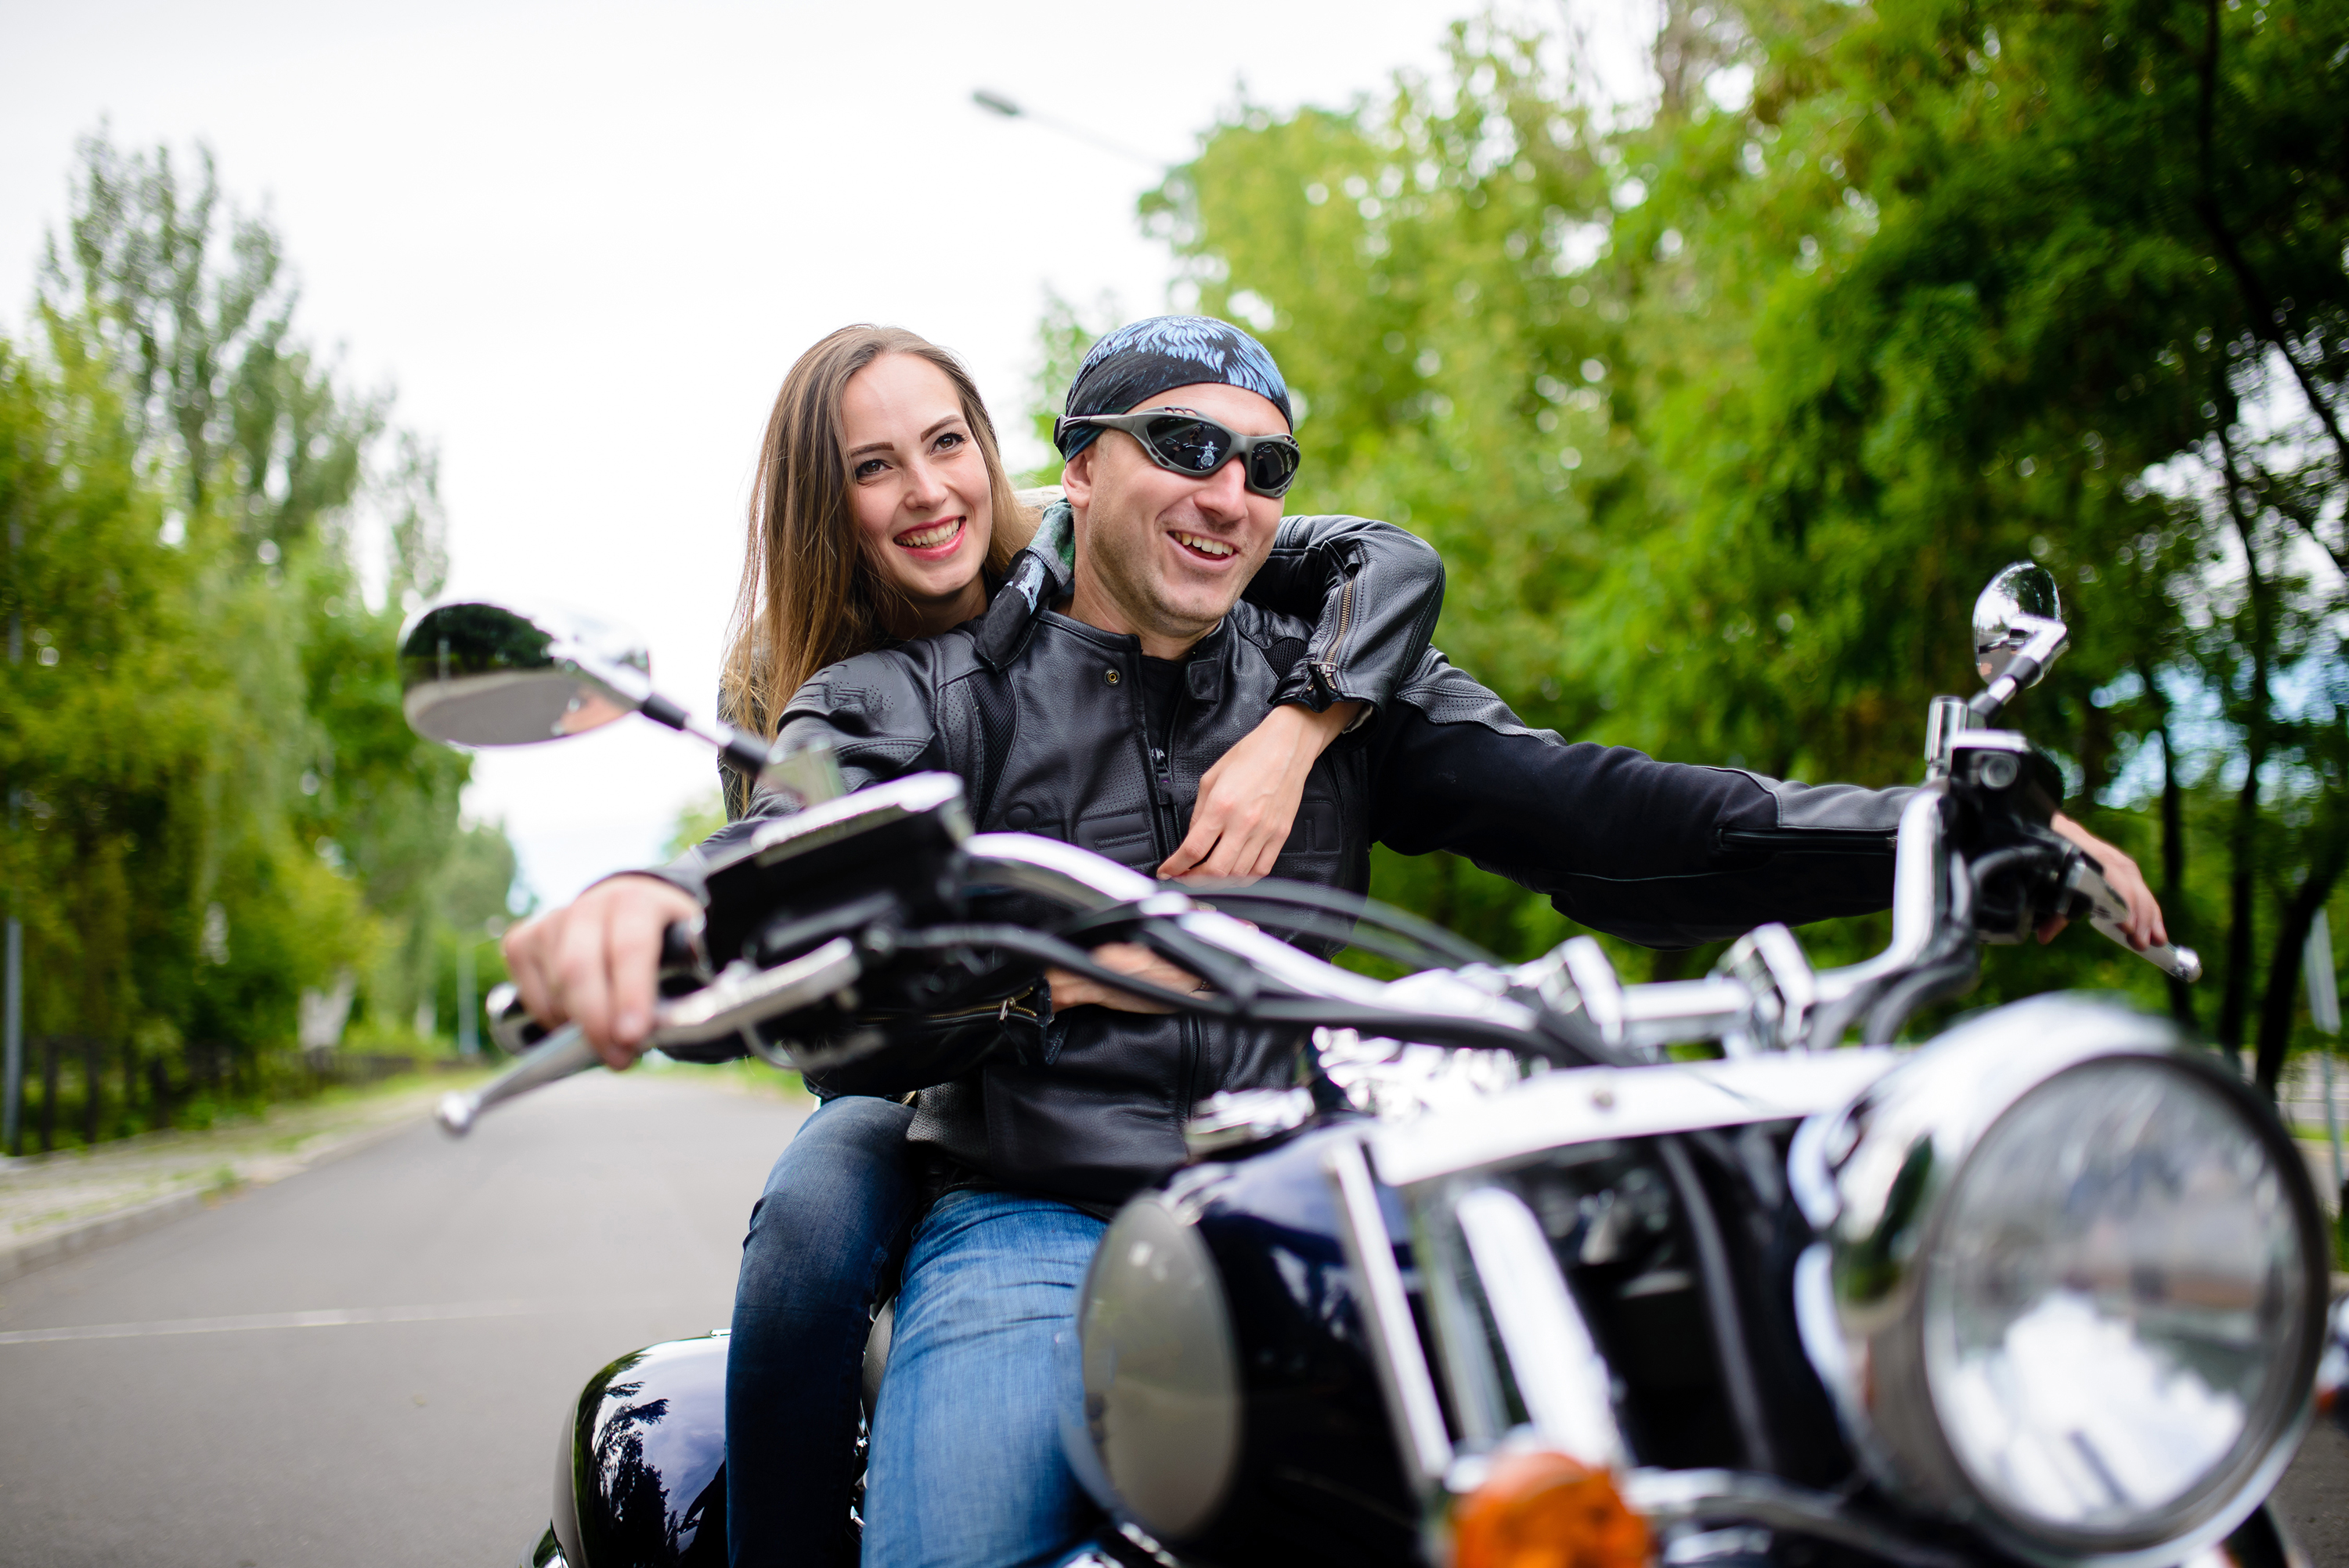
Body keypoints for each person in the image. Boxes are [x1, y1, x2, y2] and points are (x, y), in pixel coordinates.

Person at [507, 315, 2164, 1568]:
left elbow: (1621, 816)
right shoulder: (913, 694)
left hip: (1314, 1216)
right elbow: (793, 840)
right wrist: (661, 906)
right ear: (1076, 471)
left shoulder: (1337, 686)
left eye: (1265, 465)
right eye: (1182, 448)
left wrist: (1934, 833)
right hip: (1033, 1222)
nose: (1230, 494)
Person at [502, 321, 1449, 1568]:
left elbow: (1374, 555)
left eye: (949, 444)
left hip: (1150, 1106)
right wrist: (657, 897)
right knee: (814, 1206)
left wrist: (1305, 723)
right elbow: (791, 921)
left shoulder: (1089, 548)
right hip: (923, 1068)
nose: (929, 490)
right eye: (873, 466)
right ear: (820, 505)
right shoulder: (799, 686)